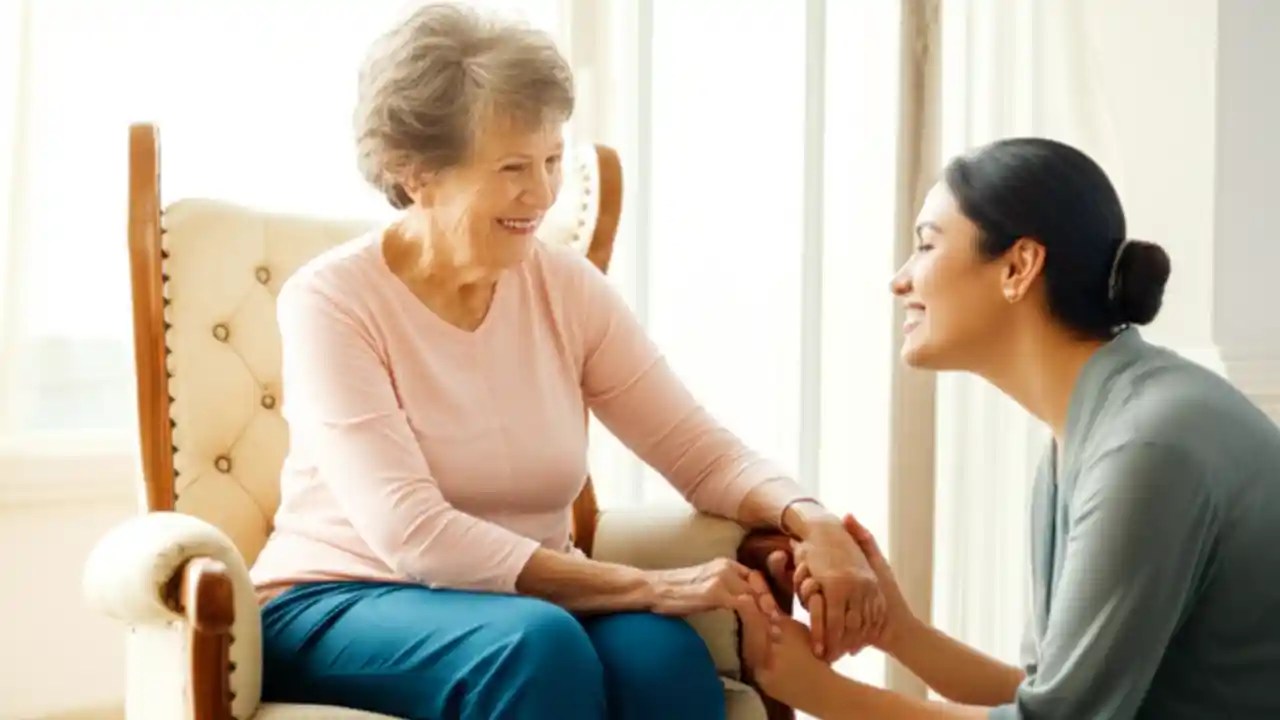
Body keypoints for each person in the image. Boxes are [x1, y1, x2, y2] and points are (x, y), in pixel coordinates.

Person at [247, 3, 884, 719]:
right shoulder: (332, 300)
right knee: (539, 647)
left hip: (521, 606)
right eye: (513, 167)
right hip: (339, 598)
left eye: (551, 160)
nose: (544, 194)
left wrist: (813, 520)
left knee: (662, 659)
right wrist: (647, 585)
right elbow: (413, 535)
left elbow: (698, 452)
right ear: (416, 172)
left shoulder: (562, 287)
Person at [735, 137, 1280, 719]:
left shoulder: (1146, 448)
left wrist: (818, 692)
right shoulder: (1092, 431)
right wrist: (899, 632)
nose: (901, 279)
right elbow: (1056, 694)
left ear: (1018, 267)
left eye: (925, 245)